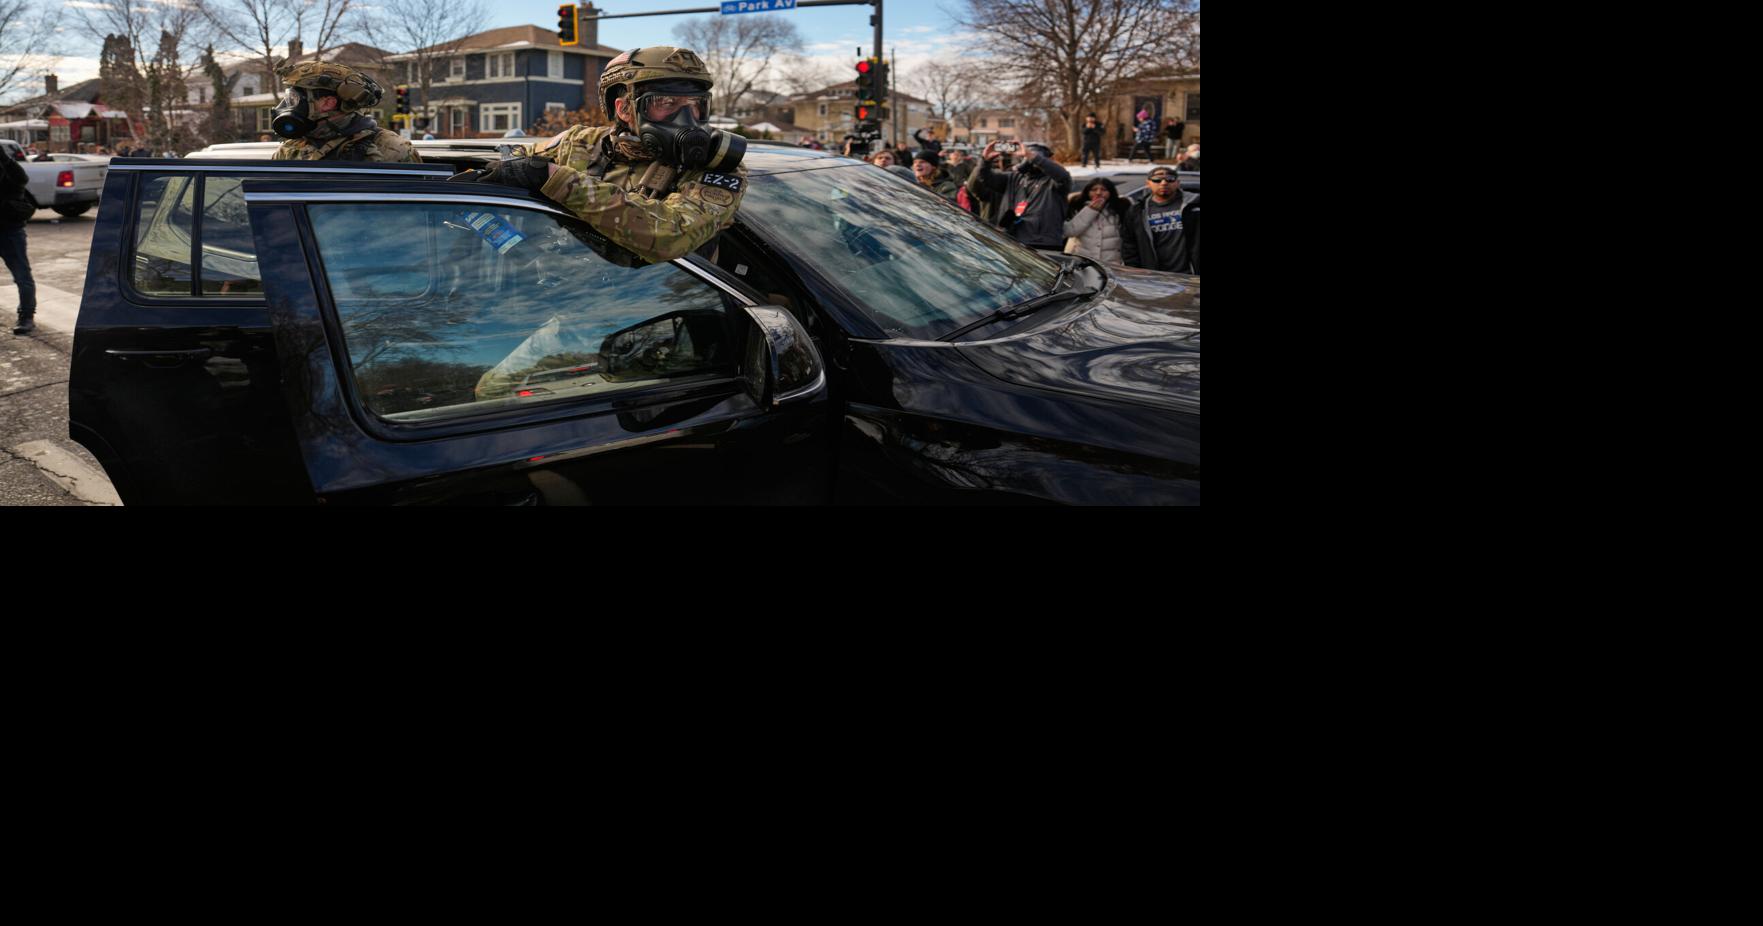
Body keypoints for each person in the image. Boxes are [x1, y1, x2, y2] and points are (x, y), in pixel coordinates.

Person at [467, 45, 747, 264]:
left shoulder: (718, 167)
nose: (687, 116)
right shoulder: (580, 142)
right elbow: (512, 161)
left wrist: (556, 179)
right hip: (571, 299)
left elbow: (670, 236)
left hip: (662, 311)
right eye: (667, 102)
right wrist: (516, 244)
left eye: (696, 104)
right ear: (624, 109)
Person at [269, 61, 420, 162]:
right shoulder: (291, 148)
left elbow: (414, 206)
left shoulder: (392, 149)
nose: (287, 105)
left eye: (295, 98)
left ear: (328, 103)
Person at [966, 139, 1072, 251]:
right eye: (1026, 156)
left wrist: (1034, 157)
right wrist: (985, 161)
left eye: (1033, 156)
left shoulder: (1054, 182)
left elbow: (1063, 176)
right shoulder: (1014, 178)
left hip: (1044, 243)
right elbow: (985, 179)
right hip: (1013, 240)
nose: (1029, 160)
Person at [1121, 165, 1198, 274]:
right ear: (1148, 183)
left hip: (1190, 275)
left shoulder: (1194, 205)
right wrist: (1135, 271)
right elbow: (1129, 246)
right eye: (1157, 180)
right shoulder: (1137, 211)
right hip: (1155, 278)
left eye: (1169, 179)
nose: (1163, 183)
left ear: (1177, 183)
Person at [3, 147, 37, 335]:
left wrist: (4, 158)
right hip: (10, 230)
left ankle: (26, 316)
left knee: (22, 276)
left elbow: (21, 178)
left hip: (9, 230)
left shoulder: (10, 173)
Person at [1062, 177, 1128, 265]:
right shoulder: (1077, 205)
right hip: (1082, 262)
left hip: (1111, 263)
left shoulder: (1120, 208)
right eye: (1094, 190)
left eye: (1103, 190)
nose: (1098, 193)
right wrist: (1090, 210)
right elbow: (1070, 231)